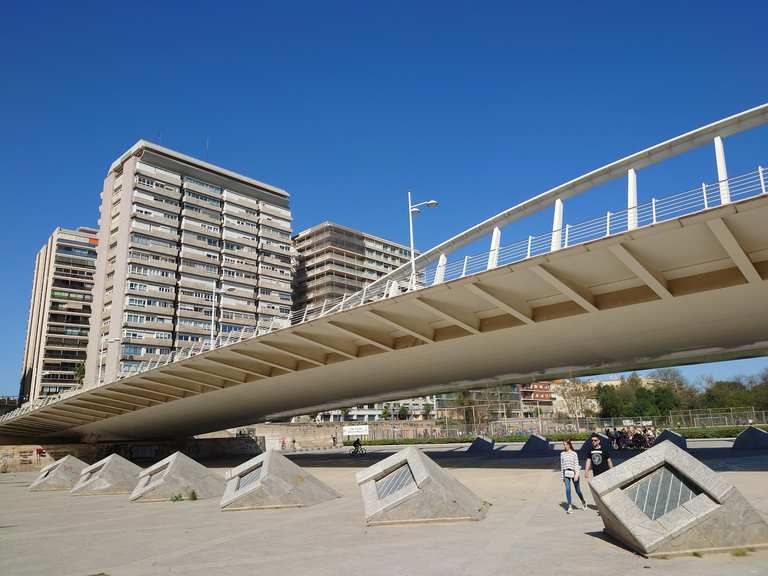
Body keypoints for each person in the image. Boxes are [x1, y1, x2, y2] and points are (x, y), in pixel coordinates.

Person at [560, 439, 586, 514]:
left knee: (577, 490)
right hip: (566, 473)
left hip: (574, 473)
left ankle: (583, 502)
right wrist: (562, 477)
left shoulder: (574, 453)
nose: (564, 446)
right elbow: (562, 466)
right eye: (564, 445)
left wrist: (576, 474)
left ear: (569, 445)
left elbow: (576, 464)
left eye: (565, 444)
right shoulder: (562, 454)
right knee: (568, 489)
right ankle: (570, 506)